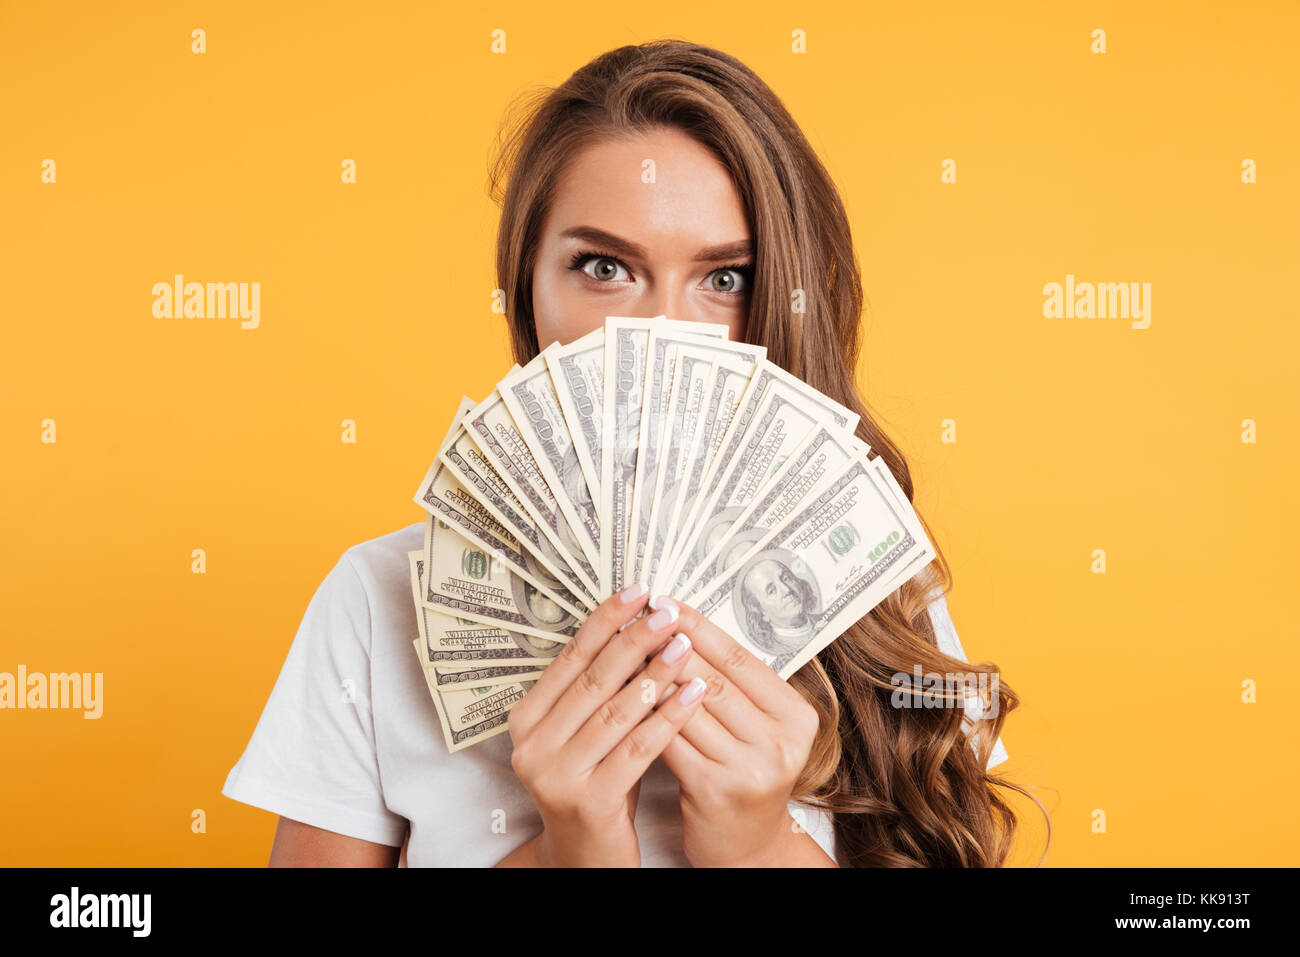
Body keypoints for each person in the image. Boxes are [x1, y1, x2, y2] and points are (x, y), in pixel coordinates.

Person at [222, 39, 1045, 867]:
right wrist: (566, 852)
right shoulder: (376, 603)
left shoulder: (873, 598)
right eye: (605, 266)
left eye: (725, 278)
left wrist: (760, 851)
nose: (662, 337)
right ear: (526, 290)